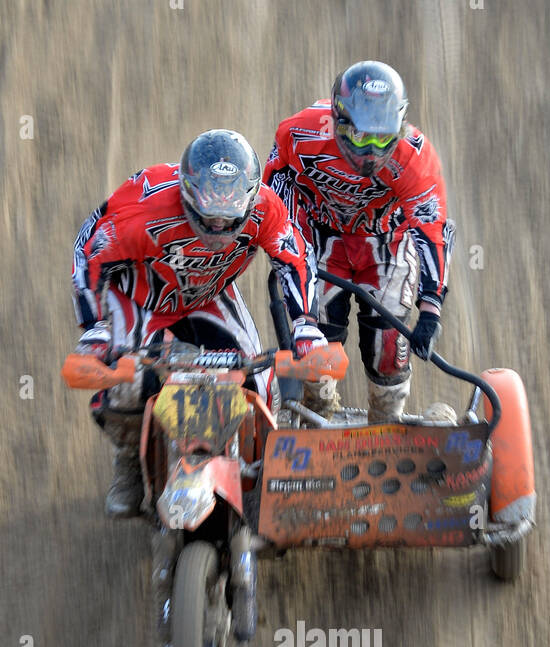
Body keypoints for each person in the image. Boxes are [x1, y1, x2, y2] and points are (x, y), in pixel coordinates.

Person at [71, 129, 325, 517]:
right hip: (141, 298)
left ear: (251, 196)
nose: (220, 229)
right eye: (209, 216)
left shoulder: (266, 209)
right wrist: (94, 327)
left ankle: (262, 472)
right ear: (186, 191)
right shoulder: (145, 208)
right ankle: (129, 464)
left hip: (210, 294)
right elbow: (90, 252)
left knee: (259, 377)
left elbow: (294, 257)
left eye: (230, 218)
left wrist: (305, 323)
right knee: (126, 383)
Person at [265, 61, 455, 423]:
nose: (371, 152)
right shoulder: (299, 134)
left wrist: (430, 308)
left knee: (389, 351)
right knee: (315, 345)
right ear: (340, 122)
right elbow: (274, 196)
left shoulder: (415, 157)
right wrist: (289, 255)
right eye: (363, 137)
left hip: (386, 244)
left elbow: (432, 227)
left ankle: (387, 422)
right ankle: (313, 415)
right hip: (321, 240)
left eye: (383, 139)